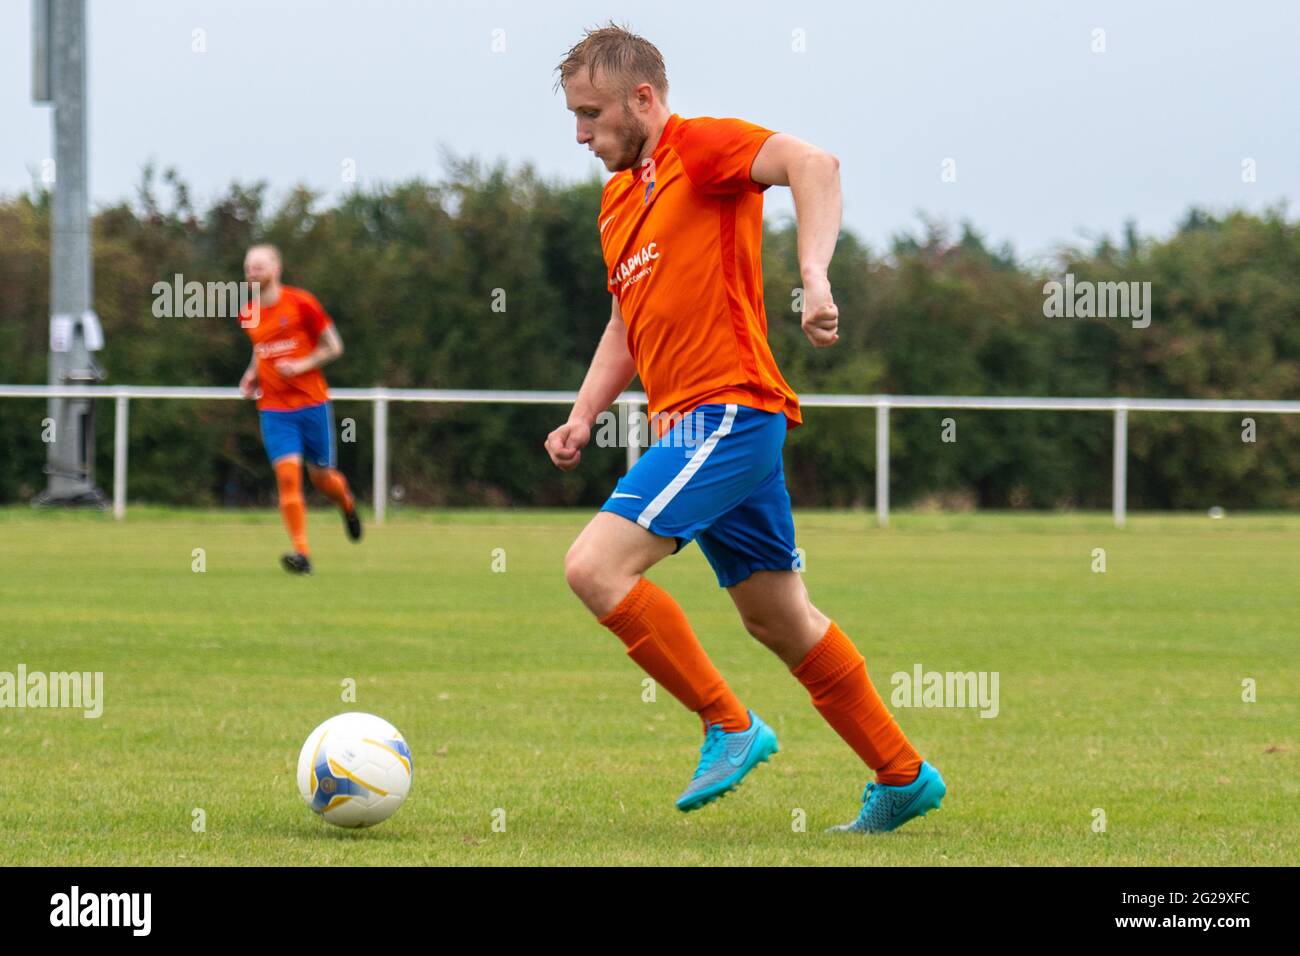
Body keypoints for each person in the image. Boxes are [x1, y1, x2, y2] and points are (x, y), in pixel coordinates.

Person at [546, 25, 945, 832]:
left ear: (644, 99)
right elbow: (627, 324)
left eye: (591, 115)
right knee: (779, 619)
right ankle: (904, 777)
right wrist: (584, 414)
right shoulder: (618, 201)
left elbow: (815, 165)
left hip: (725, 414)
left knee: (594, 568)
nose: (581, 134)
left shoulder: (702, 149)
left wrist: (814, 276)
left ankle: (729, 723)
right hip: (700, 428)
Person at [238, 244, 360, 574]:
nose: (252, 274)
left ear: (276, 269)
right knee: (288, 476)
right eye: (249, 268)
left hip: (312, 404)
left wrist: (302, 364)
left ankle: (347, 504)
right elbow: (260, 350)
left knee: (322, 479)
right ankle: (302, 554)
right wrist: (251, 375)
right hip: (274, 409)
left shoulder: (302, 303)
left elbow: (334, 346)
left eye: (259, 268)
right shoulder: (248, 311)